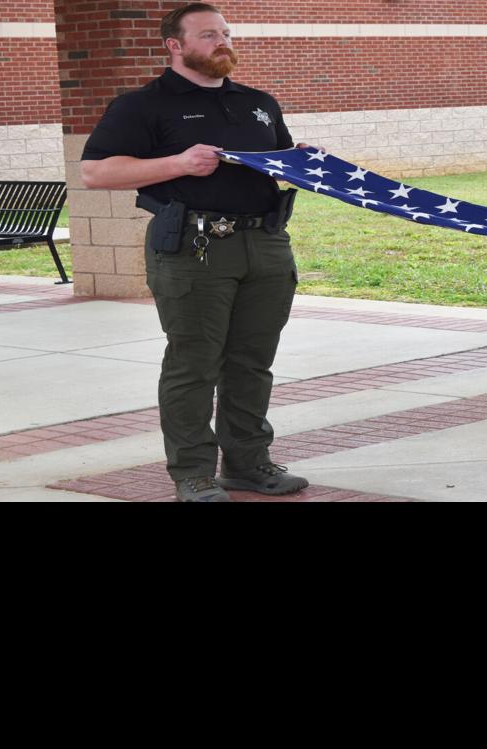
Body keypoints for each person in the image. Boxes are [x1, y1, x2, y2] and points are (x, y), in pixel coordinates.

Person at [81, 3, 314, 502]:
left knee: (252, 362)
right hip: (195, 248)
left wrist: (305, 164)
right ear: (175, 45)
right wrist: (178, 164)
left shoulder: (259, 102)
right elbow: (96, 173)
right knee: (194, 365)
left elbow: (280, 163)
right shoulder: (143, 105)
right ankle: (193, 475)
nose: (223, 42)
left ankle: (249, 466)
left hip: (266, 244)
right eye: (209, 35)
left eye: (226, 33)